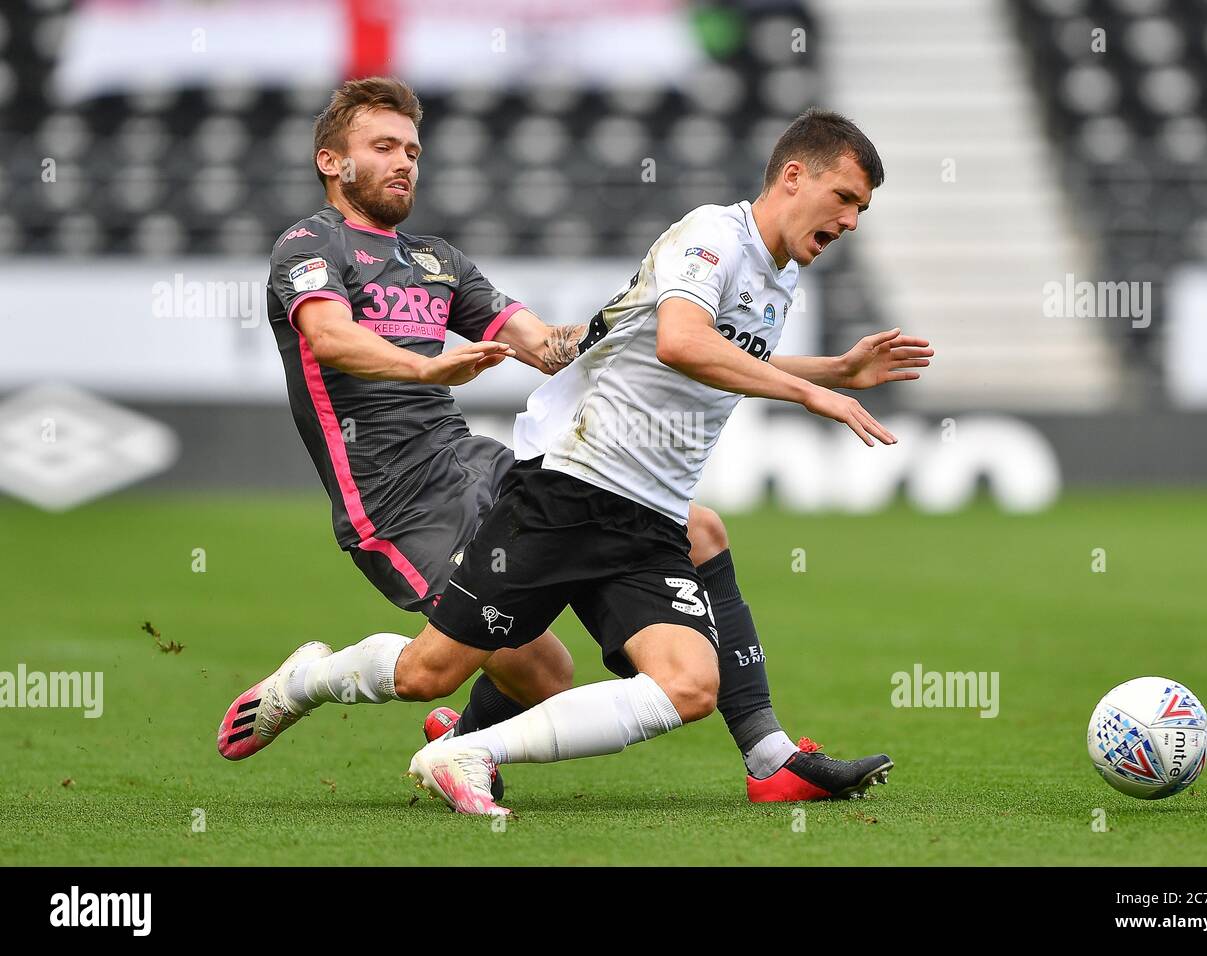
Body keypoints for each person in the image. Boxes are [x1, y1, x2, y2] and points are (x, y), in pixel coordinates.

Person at [217, 77, 931, 803]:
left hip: (481, 463)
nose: (405, 162)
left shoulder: (438, 261)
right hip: (394, 493)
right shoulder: (310, 245)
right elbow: (329, 337)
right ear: (332, 162)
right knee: (470, 671)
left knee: (689, 538)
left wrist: (623, 321)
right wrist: (425, 365)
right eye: (384, 147)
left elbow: (551, 346)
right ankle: (317, 683)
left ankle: (754, 754)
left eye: (412, 149)